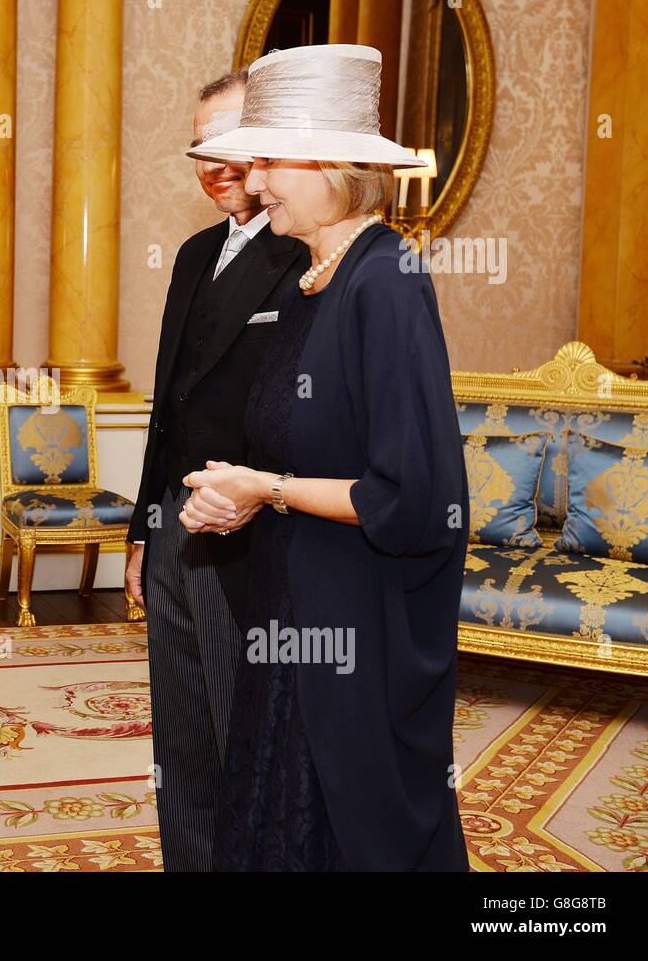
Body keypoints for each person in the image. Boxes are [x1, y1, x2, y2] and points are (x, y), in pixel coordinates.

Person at [182, 43, 470, 871]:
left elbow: (411, 498)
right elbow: (297, 452)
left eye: (268, 159)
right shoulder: (307, 282)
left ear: (333, 164)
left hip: (355, 632)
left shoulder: (388, 283)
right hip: (290, 610)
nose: (254, 180)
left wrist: (265, 486)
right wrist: (245, 495)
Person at [127, 69, 309, 870]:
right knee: (184, 739)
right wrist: (141, 533)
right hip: (173, 528)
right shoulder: (195, 254)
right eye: (202, 146)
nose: (214, 163)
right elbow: (165, 403)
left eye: (231, 142)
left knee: (246, 734)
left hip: (248, 536)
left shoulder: (305, 253)